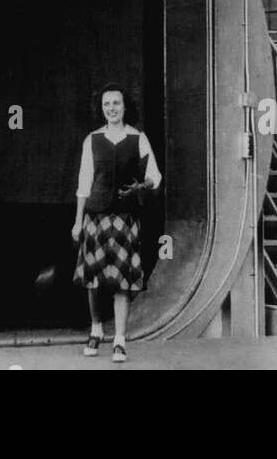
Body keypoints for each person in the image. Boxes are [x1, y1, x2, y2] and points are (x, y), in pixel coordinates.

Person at [71, 82, 162, 363]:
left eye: (116, 103)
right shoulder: (92, 140)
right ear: (102, 108)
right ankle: (96, 328)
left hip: (125, 218)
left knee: (122, 282)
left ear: (125, 107)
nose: (111, 108)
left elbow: (155, 178)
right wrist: (77, 222)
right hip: (95, 217)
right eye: (107, 104)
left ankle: (120, 340)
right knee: (94, 280)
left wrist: (141, 187)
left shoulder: (138, 139)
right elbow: (83, 184)